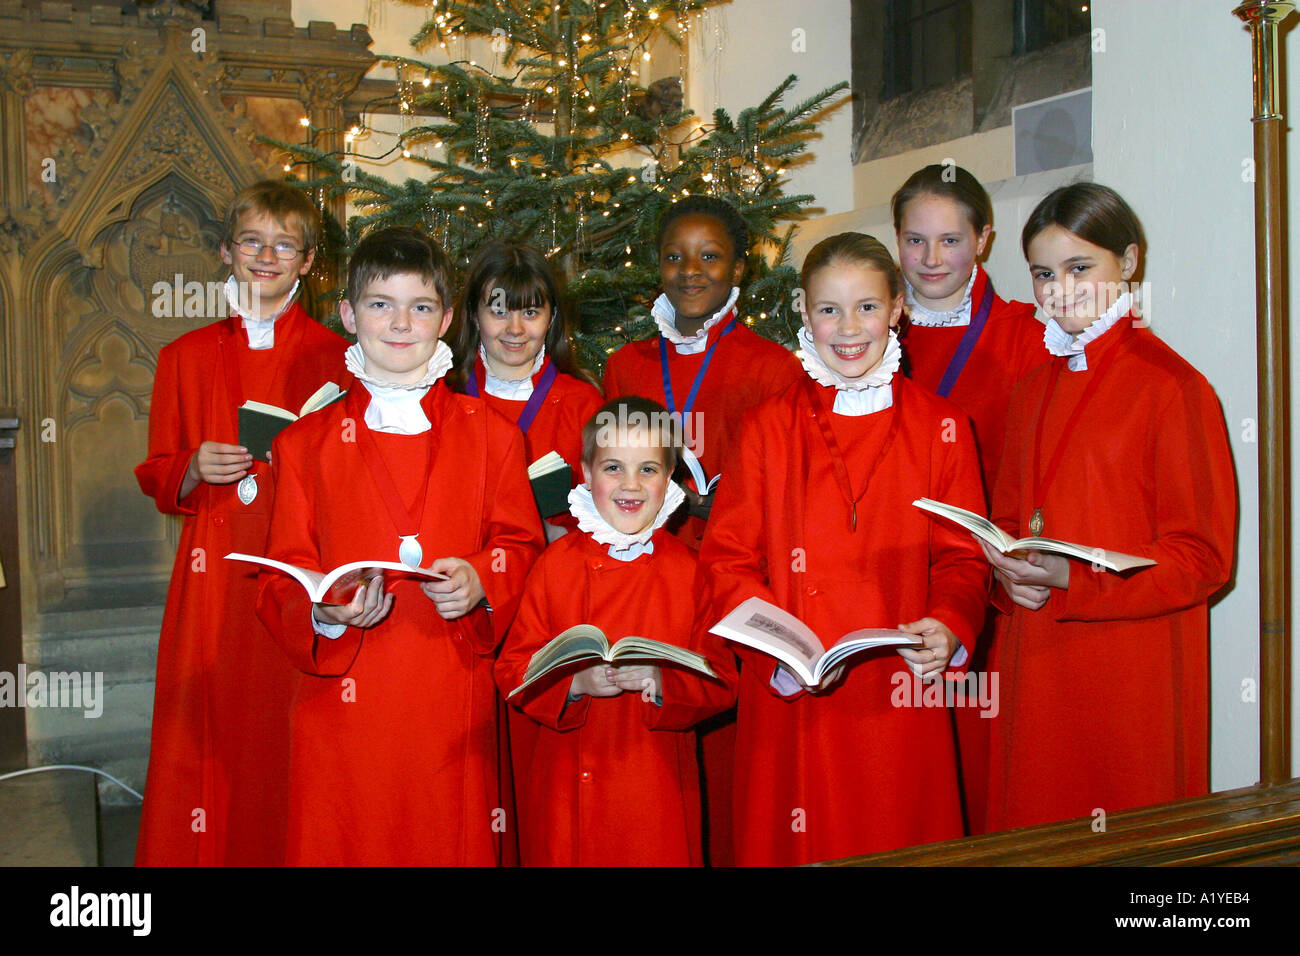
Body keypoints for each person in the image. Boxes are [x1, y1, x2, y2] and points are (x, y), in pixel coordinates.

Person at [255, 226, 545, 865]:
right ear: (347, 313)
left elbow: (520, 548)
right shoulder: (302, 446)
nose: (400, 323)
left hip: (447, 689)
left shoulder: (494, 437)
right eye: (380, 304)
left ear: (445, 319)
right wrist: (321, 611)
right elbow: (280, 576)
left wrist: (480, 578)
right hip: (344, 694)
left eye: (420, 307)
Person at [701, 232, 988, 865]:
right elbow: (726, 561)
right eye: (829, 309)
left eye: (866, 307)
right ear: (803, 311)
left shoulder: (943, 426)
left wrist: (949, 624)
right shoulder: (766, 426)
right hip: (792, 696)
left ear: (897, 309)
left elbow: (965, 558)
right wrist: (778, 648)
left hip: (899, 694)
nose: (848, 327)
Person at [981, 183, 1236, 831]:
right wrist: (1004, 571)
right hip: (1035, 664)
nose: (1059, 289)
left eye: (1079, 268)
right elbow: (1010, 523)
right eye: (1043, 273)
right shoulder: (1033, 388)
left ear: (1128, 261)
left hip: (1126, 677)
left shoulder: (1173, 387)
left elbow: (1203, 560)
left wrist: (1076, 577)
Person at [133, 180, 346, 866]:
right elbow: (158, 471)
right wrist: (193, 467)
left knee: (286, 726)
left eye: (284, 245)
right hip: (214, 562)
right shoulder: (184, 358)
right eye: (252, 241)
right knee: (209, 730)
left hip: (296, 558)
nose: (266, 256)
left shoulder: (336, 355)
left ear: (308, 261)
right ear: (226, 250)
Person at [601, 194, 801, 864]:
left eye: (709, 255)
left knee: (723, 752)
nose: (691, 270)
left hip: (728, 580)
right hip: (649, 581)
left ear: (738, 265)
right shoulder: (627, 365)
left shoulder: (773, 368)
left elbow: (783, 490)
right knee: (658, 759)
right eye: (674, 255)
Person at [496, 397, 734, 865]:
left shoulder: (689, 571)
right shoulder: (554, 566)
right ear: (586, 472)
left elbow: (723, 678)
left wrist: (662, 682)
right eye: (613, 467)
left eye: (648, 469)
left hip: (656, 780)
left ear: (669, 479)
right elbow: (511, 670)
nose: (630, 484)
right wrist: (574, 683)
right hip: (569, 778)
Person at [892, 163, 1046, 832]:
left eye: (950, 240)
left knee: (979, 780)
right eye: (915, 239)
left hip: (984, 591)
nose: (931, 259)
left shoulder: (1027, 334)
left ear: (983, 239)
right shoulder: (865, 332)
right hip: (885, 579)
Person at [451, 241, 603, 540]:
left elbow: (607, 515)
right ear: (473, 313)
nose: (515, 329)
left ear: (552, 317)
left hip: (553, 575)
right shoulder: (443, 397)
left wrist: (544, 535)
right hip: (461, 574)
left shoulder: (583, 404)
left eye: (531, 313)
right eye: (499, 312)